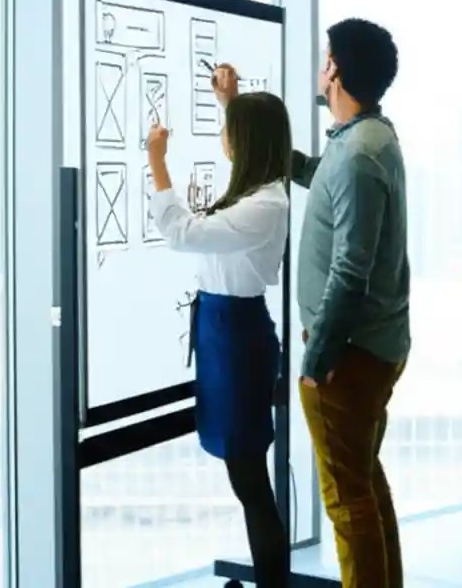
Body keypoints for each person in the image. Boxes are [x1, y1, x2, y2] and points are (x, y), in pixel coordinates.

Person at [146, 76, 292, 588]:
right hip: (224, 332)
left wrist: (156, 161)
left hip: (236, 340)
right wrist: (229, 101)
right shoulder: (258, 192)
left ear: (246, 143)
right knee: (245, 477)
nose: (223, 140)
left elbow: (182, 233)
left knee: (250, 481)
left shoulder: (266, 205)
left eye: (230, 131)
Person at [293, 17, 409, 587]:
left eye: (325, 58)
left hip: (348, 355)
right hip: (366, 346)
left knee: (347, 501)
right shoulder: (364, 139)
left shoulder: (360, 153)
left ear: (335, 69)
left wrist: (318, 360)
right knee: (363, 484)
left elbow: (350, 270)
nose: (321, 67)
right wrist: (267, 146)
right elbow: (325, 180)